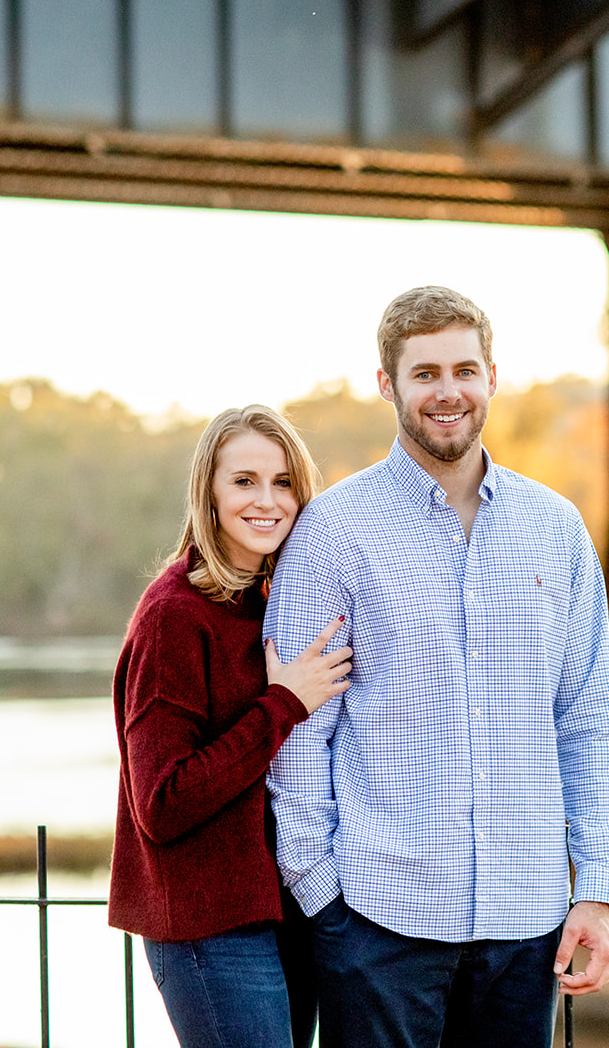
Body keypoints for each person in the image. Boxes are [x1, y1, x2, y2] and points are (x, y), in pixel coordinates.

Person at [265, 285, 609, 1046]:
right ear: (387, 384)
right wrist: (323, 895)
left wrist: (596, 887)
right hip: (378, 922)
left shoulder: (555, 529)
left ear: (492, 377)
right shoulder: (334, 532)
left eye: (464, 369)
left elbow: (590, 716)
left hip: (527, 925)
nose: (448, 391)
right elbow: (303, 729)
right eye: (424, 372)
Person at [108, 405, 354, 1048]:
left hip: (286, 910)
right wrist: (282, 705)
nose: (267, 501)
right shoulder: (174, 617)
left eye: (283, 482)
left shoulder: (271, 602)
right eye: (244, 481)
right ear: (209, 494)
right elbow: (162, 801)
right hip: (208, 927)